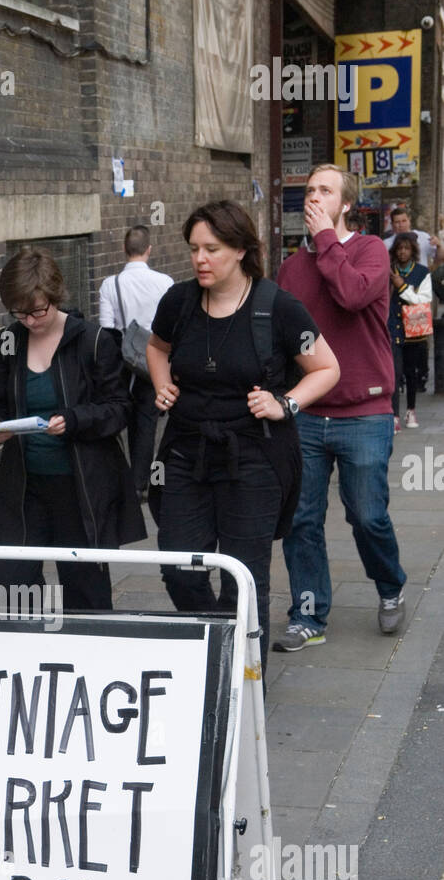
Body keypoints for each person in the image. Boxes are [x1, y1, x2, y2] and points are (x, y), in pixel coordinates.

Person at [146, 201, 339, 677]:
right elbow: (156, 347)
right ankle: (216, 654)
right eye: (193, 249)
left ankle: (246, 686)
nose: (200, 259)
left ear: (240, 250)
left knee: (244, 576)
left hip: (254, 456)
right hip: (188, 451)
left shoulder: (278, 308)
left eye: (212, 248)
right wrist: (160, 382)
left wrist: (285, 403)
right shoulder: (179, 301)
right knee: (178, 566)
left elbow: (328, 368)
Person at [274, 164, 407, 650]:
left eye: (325, 191)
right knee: (301, 519)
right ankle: (307, 616)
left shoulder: (370, 251)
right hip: (306, 414)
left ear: (345, 205)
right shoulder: (292, 266)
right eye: (309, 190)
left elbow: (351, 295)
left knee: (367, 515)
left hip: (365, 412)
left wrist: (327, 240)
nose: (313, 197)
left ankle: (390, 587)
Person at [0, 246, 145, 611]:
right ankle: (27, 657)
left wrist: (73, 419)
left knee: (84, 589)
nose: (31, 321)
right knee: (14, 588)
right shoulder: (7, 343)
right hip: (25, 488)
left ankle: (89, 659)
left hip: (81, 487)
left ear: (56, 297)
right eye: (20, 313)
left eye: (38, 310)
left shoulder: (92, 340)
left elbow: (119, 409)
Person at [98, 225, 174, 496]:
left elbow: (106, 329)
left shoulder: (111, 284)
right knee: (146, 422)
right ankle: (139, 483)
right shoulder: (165, 282)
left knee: (118, 417)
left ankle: (119, 478)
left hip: (122, 364)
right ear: (149, 249)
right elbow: (172, 326)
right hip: (153, 363)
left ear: (124, 249)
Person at [388, 232, 431, 430]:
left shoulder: (422, 272)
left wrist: (402, 287)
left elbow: (423, 300)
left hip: (414, 331)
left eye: (406, 248)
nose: (403, 252)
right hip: (392, 330)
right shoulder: (389, 271)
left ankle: (411, 410)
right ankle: (394, 414)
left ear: (413, 251)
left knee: (411, 372)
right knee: (394, 373)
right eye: (399, 248)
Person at [383, 205, 438, 270]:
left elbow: (438, 257)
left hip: (421, 277)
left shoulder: (423, 236)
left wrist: (439, 245)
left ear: (409, 220)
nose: (401, 225)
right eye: (397, 222)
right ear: (392, 224)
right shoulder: (386, 244)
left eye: (404, 221)